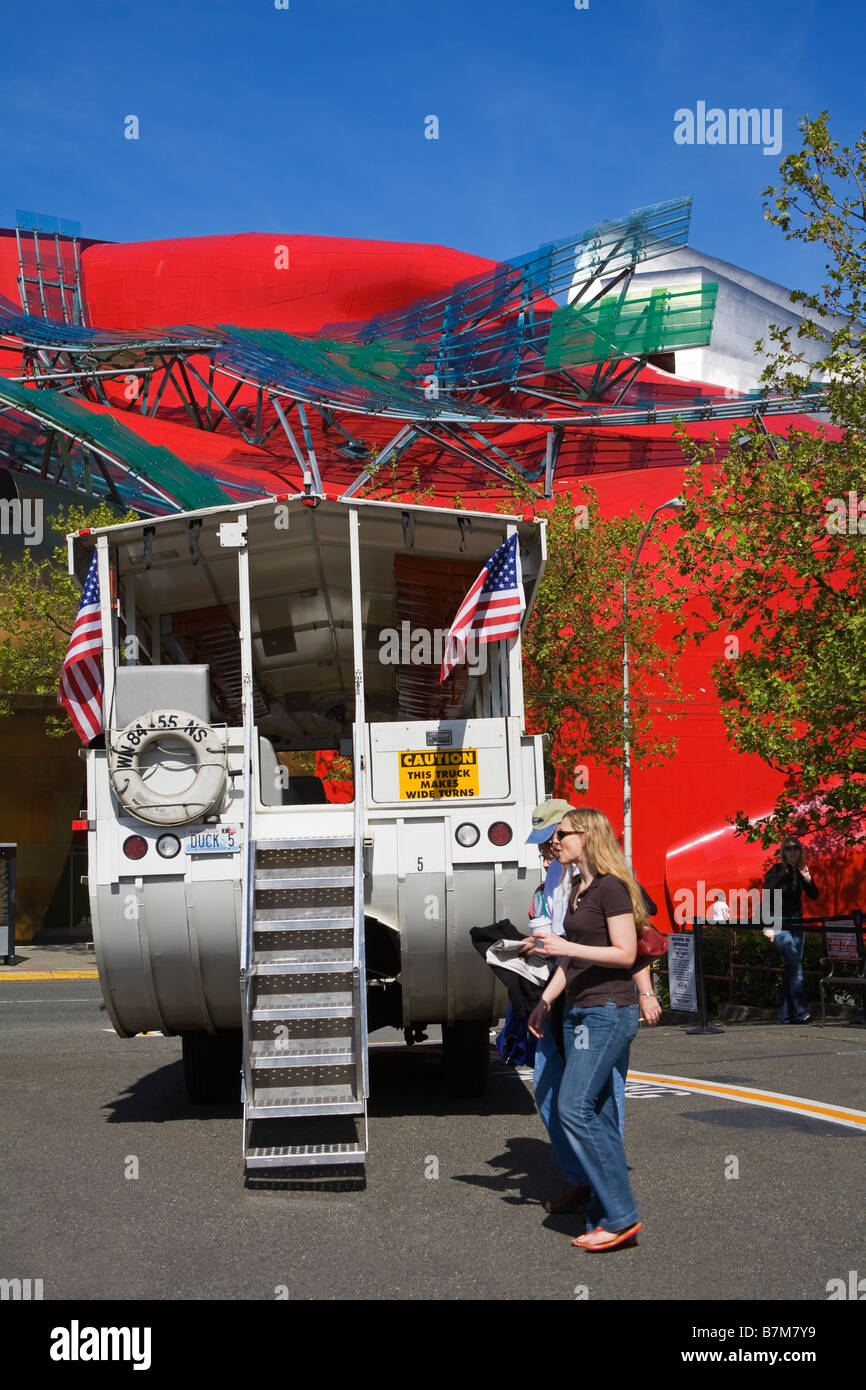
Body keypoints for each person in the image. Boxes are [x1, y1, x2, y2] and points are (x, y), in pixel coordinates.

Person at [524, 800, 660, 1216]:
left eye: (558, 835)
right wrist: (545, 1000)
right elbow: (573, 952)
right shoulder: (569, 885)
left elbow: (629, 948)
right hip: (573, 1003)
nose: (551, 845)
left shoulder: (611, 885)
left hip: (606, 1007)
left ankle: (611, 1204)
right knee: (564, 1097)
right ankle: (590, 1188)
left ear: (584, 836)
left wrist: (646, 993)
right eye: (549, 840)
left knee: (590, 1103)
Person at [762, 836, 819, 1024]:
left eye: (796, 848)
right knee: (796, 967)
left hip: (797, 925)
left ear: (800, 851)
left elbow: (814, 895)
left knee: (792, 969)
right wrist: (768, 928)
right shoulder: (776, 871)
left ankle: (785, 1016)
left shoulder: (800, 871)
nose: (792, 851)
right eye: (788, 848)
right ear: (783, 852)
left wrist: (807, 877)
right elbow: (767, 897)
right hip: (780, 926)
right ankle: (802, 1012)